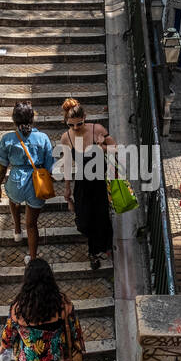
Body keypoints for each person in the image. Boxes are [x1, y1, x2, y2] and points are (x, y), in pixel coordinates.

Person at [0, 101, 55, 263]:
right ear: (32, 119)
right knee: (32, 224)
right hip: (36, 184)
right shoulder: (43, 138)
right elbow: (49, 167)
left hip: (16, 182)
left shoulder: (7, 139)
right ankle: (33, 258)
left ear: (14, 120)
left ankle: (17, 229)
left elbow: (2, 167)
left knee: (13, 200)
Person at [60, 98, 115, 270]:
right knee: (85, 220)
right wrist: (67, 187)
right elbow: (68, 163)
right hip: (82, 183)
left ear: (85, 117)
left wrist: (102, 147)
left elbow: (116, 148)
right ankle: (98, 246)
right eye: (71, 125)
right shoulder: (66, 137)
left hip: (100, 181)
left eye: (79, 123)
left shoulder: (97, 129)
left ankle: (96, 251)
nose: (75, 128)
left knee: (101, 216)